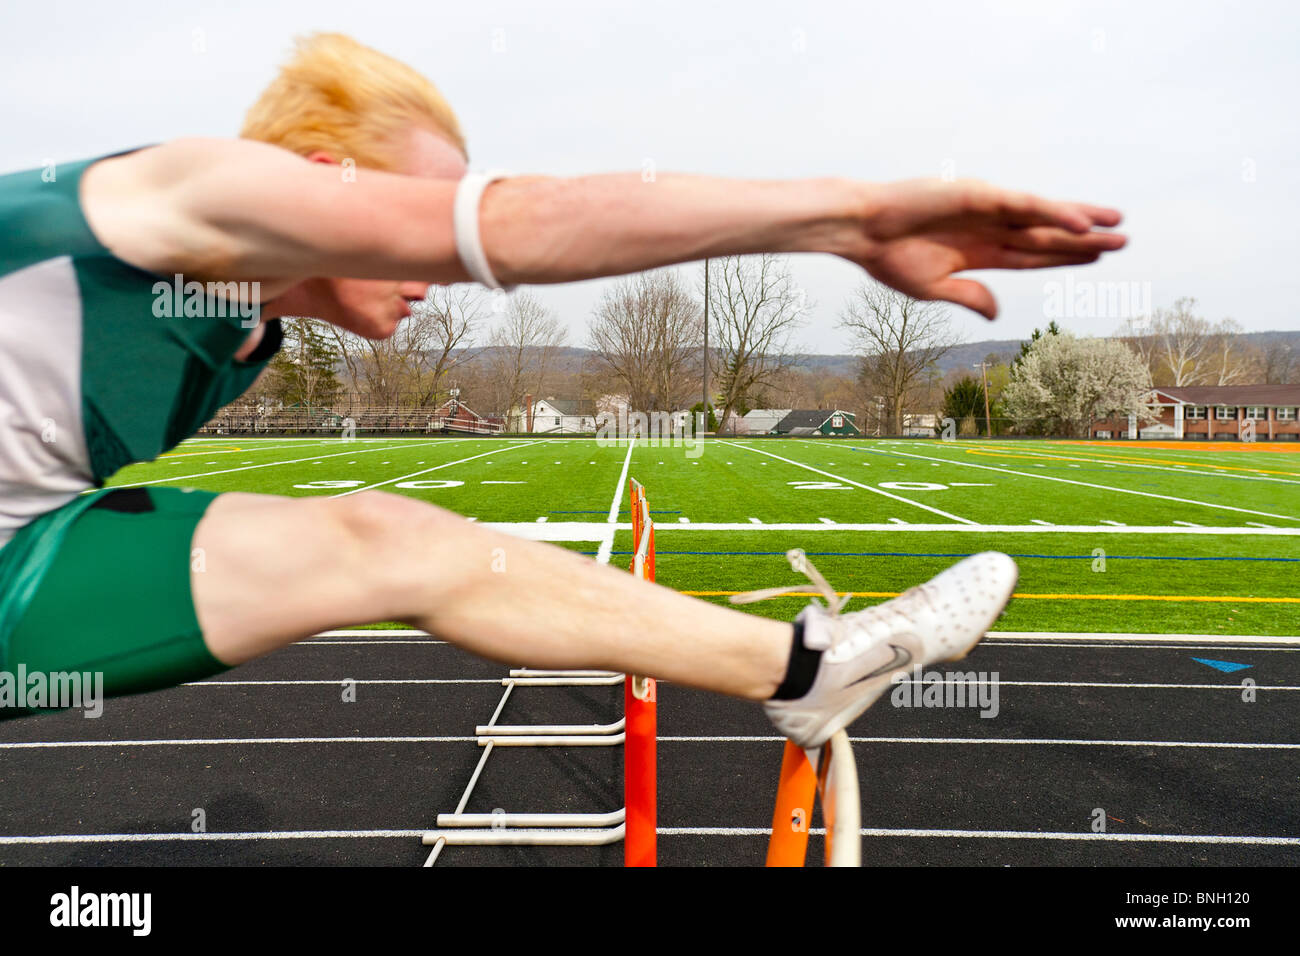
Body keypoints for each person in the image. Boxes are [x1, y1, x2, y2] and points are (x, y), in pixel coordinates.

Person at [0, 33, 1124, 745]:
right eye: (417, 224)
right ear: (323, 184)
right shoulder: (194, 189)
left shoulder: (246, 332)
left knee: (389, 541)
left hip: (19, 555)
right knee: (381, 539)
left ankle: (812, 665)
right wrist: (850, 215)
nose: (441, 273)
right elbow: (518, 226)